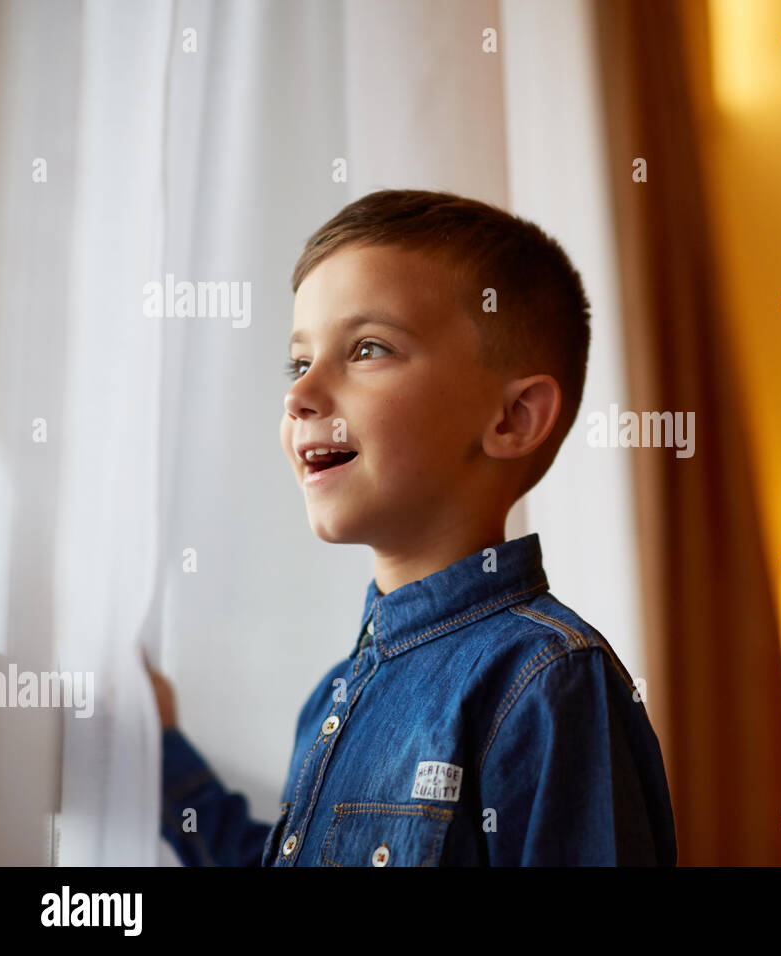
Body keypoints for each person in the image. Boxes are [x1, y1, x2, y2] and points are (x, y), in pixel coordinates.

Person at [147, 189, 677, 866]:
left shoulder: (550, 681)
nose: (299, 395)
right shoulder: (331, 697)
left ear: (513, 419)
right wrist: (160, 752)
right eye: (300, 362)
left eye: (367, 349)